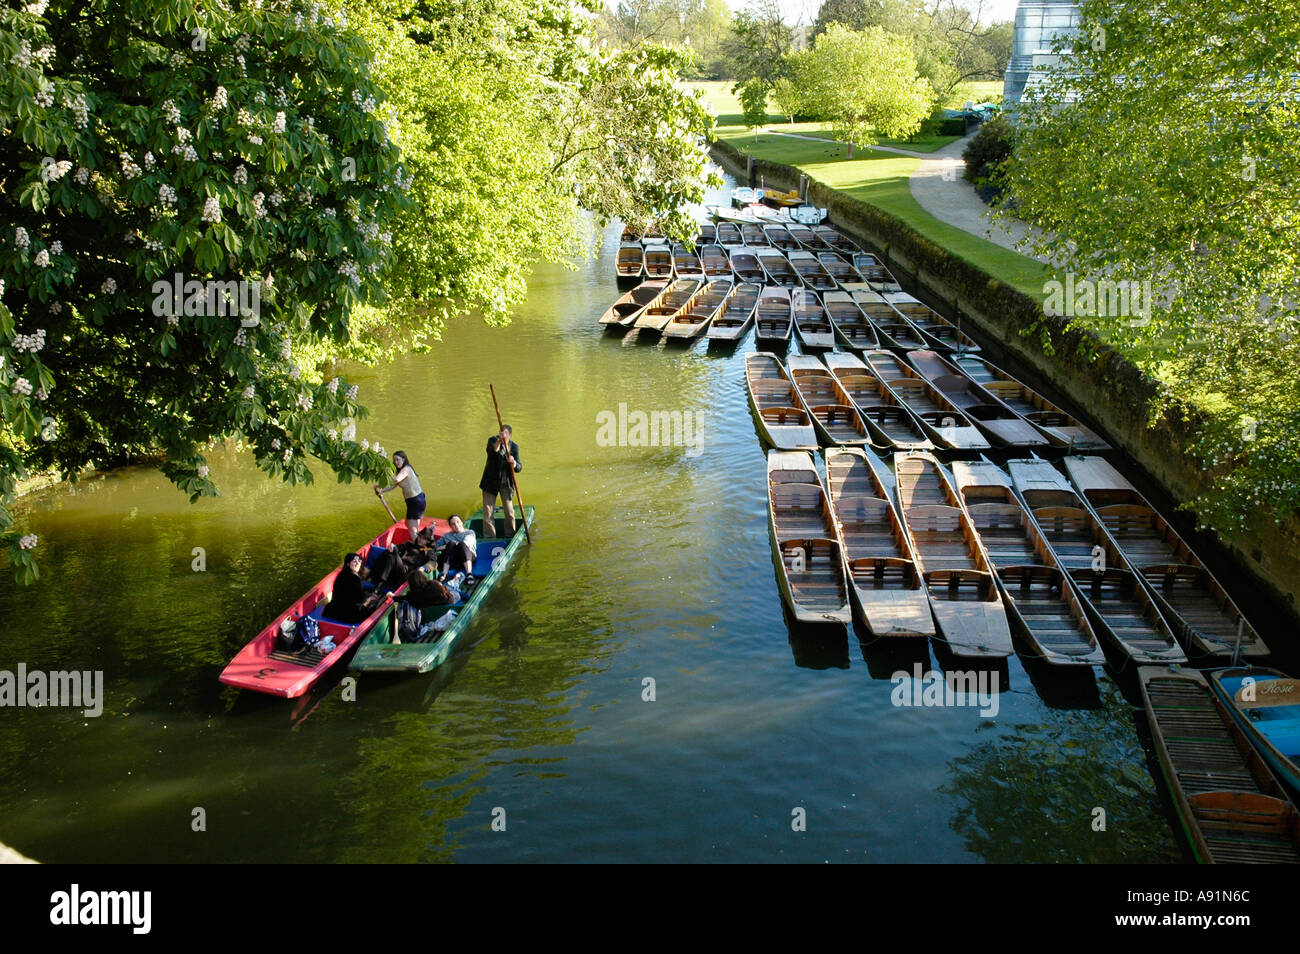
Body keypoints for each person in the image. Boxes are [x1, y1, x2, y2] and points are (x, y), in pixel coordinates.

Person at [479, 425, 522, 538]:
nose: (502, 436)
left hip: (505, 484)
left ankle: (510, 535)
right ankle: (489, 536)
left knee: (510, 513)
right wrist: (499, 441)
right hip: (490, 483)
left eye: (505, 434)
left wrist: (513, 463)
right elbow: (492, 451)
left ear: (510, 435)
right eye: (501, 433)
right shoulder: (493, 441)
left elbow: (519, 468)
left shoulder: (514, 447)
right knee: (488, 513)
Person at [374, 450, 425, 541]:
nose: (396, 462)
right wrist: (381, 490)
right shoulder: (400, 472)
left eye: (398, 460)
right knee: (407, 524)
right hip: (413, 501)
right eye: (394, 460)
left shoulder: (406, 469)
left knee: (412, 529)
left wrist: (380, 483)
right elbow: (392, 486)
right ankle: (421, 540)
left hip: (416, 501)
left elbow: (396, 480)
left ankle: (420, 548)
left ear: (404, 459)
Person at [328, 552, 384, 624]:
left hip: (334, 610)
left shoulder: (341, 574)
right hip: (348, 614)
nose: (358, 563)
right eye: (354, 561)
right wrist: (369, 599)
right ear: (348, 564)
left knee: (371, 595)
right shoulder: (354, 578)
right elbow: (360, 598)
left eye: (359, 561)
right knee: (376, 600)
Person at [436, 513, 477, 583]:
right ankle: (444, 573)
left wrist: (443, 547)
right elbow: (436, 545)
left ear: (461, 522)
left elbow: (466, 543)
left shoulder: (469, 532)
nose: (456, 525)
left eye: (458, 522)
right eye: (453, 524)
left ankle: (469, 573)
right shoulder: (447, 535)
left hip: (467, 558)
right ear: (451, 526)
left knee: (461, 544)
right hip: (453, 561)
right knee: (451, 544)